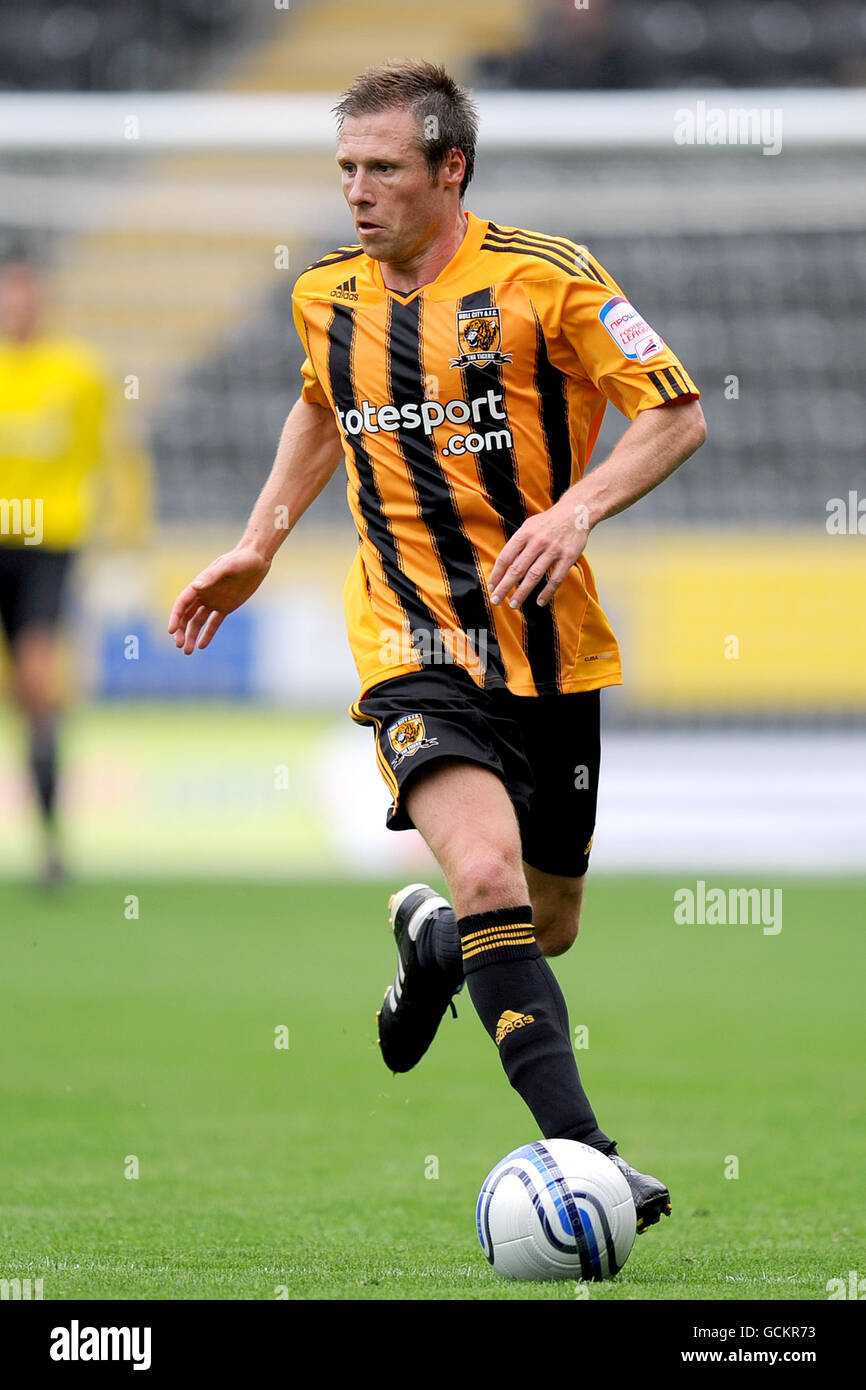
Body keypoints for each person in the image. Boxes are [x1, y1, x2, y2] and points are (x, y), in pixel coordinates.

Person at [168, 61, 706, 1232]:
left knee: (541, 922)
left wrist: (572, 511)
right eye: (345, 169)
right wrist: (260, 541)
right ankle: (589, 1159)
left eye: (383, 169)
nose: (357, 192)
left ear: (448, 169)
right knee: (486, 878)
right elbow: (321, 403)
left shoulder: (546, 281)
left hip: (548, 646)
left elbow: (675, 411)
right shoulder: (327, 294)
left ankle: (431, 945)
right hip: (409, 635)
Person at [0, 257, 151, 884]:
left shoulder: (77, 373)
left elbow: (115, 456)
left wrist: (126, 543)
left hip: (47, 546)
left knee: (38, 684)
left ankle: (51, 840)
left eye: (25, 296)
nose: (18, 308)